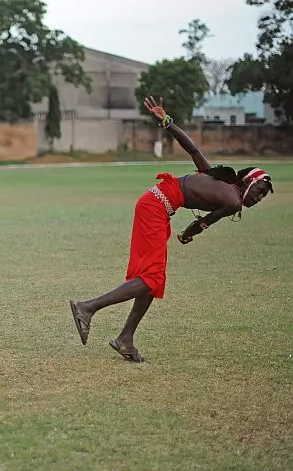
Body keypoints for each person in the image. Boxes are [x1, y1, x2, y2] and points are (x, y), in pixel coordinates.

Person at [69, 96, 274, 363]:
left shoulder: (215, 177)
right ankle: (87, 307)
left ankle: (125, 339)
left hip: (156, 205)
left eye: (262, 197)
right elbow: (206, 221)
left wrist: (168, 122)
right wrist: (188, 234)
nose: (258, 198)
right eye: (259, 191)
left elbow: (193, 150)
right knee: (152, 277)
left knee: (154, 280)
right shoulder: (233, 200)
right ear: (248, 181)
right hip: (155, 207)